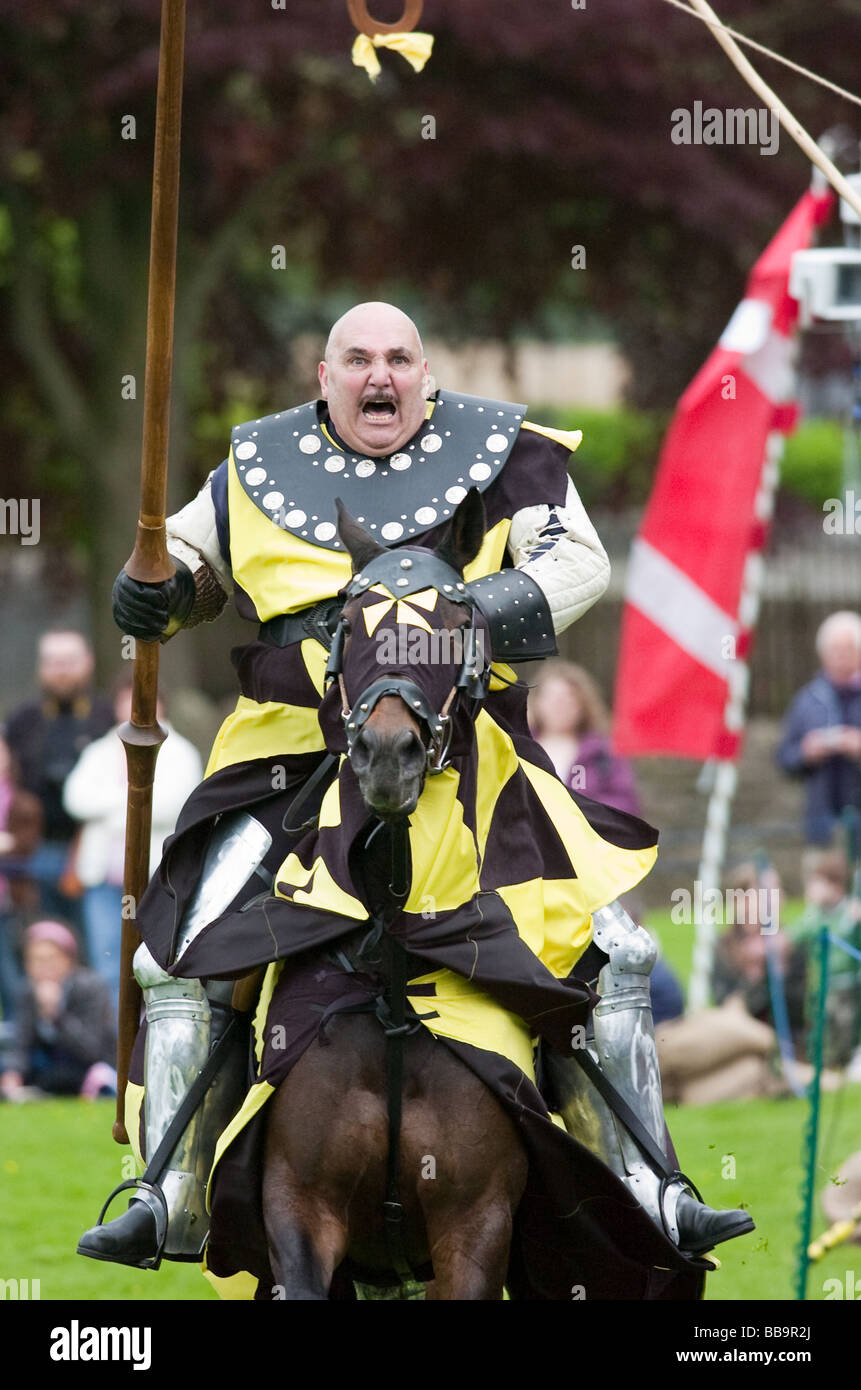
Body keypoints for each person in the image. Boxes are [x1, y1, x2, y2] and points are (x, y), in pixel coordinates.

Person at [79, 301, 749, 1273]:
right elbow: (189, 556)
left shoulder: (502, 452)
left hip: (465, 757)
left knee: (615, 945)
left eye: (399, 357)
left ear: (425, 377)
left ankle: (652, 1187)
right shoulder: (259, 464)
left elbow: (580, 561)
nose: (379, 375)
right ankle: (171, 1190)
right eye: (358, 359)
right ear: (324, 376)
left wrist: (442, 619)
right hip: (288, 762)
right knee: (181, 951)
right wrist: (158, 589)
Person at [62, 679, 203, 1013]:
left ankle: (148, 1042)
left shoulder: (179, 751)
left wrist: (110, 810)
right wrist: (129, 803)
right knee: (108, 963)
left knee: (154, 962)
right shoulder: (99, 749)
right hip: (103, 880)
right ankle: (114, 1049)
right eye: (125, 701)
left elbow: (174, 802)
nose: (133, 708)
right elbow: (76, 797)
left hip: (154, 880)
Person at [5, 632, 114, 927]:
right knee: (40, 937)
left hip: (96, 850)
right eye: (53, 662)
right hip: (36, 849)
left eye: (69, 661)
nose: (61, 670)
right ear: (41, 667)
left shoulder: (109, 717)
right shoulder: (21, 720)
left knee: (98, 941)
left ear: (88, 663)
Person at [0, 920, 116, 1101]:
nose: (43, 967)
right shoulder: (28, 991)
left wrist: (56, 1014)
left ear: (69, 959)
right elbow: (21, 1041)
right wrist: (14, 1073)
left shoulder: (90, 986)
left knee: (61, 1077)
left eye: (50, 959)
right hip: (47, 1064)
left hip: (87, 1066)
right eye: (35, 960)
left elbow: (91, 1049)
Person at [776, 611, 861, 846]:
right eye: (835, 651)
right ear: (823, 655)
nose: (841, 658)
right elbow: (784, 757)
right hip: (822, 830)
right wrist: (805, 753)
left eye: (848, 650)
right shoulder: (807, 700)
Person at [529, 659, 641, 814]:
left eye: (567, 698)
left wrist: (579, 811)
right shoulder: (516, 747)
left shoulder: (603, 752)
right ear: (537, 702)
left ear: (582, 705)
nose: (559, 706)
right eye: (552, 697)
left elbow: (625, 803)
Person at [0, 733, 43, 1023]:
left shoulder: (22, 802)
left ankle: (19, 1029)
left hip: (9, 898)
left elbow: (25, 844)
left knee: (9, 968)